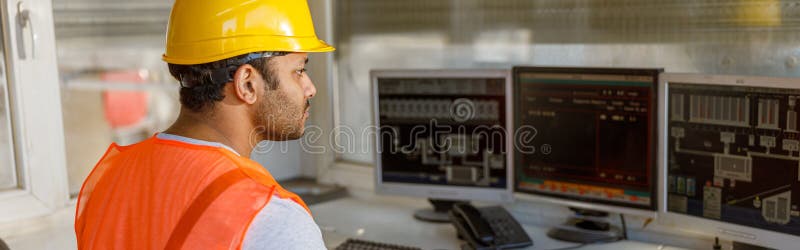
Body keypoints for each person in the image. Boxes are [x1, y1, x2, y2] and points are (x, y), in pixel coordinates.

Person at [74, 0, 334, 249]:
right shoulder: (272, 218)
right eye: (299, 70)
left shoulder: (108, 180)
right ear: (247, 84)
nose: (310, 88)